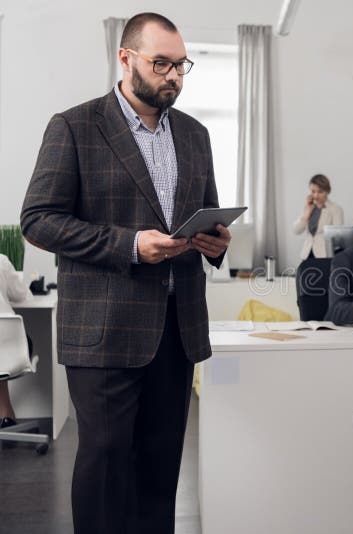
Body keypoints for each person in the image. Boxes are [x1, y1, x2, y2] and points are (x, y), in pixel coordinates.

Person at [20, 13, 230, 533]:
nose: (173, 76)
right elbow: (38, 221)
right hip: (103, 331)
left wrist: (216, 241)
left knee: (161, 470)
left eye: (182, 65)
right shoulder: (73, 126)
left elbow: (207, 212)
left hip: (176, 330)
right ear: (126, 58)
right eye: (161, 63)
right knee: (106, 463)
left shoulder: (196, 135)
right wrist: (131, 245)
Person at [0, 253, 33, 429]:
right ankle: (6, 416)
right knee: (2, 355)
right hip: (8, 352)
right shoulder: (1, 261)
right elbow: (22, 295)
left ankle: (6, 416)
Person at [292, 174, 344, 260]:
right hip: (307, 253)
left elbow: (337, 237)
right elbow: (296, 230)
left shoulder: (335, 209)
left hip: (324, 254)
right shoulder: (308, 207)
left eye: (320, 192)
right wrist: (308, 211)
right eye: (313, 191)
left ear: (327, 191)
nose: (316, 195)